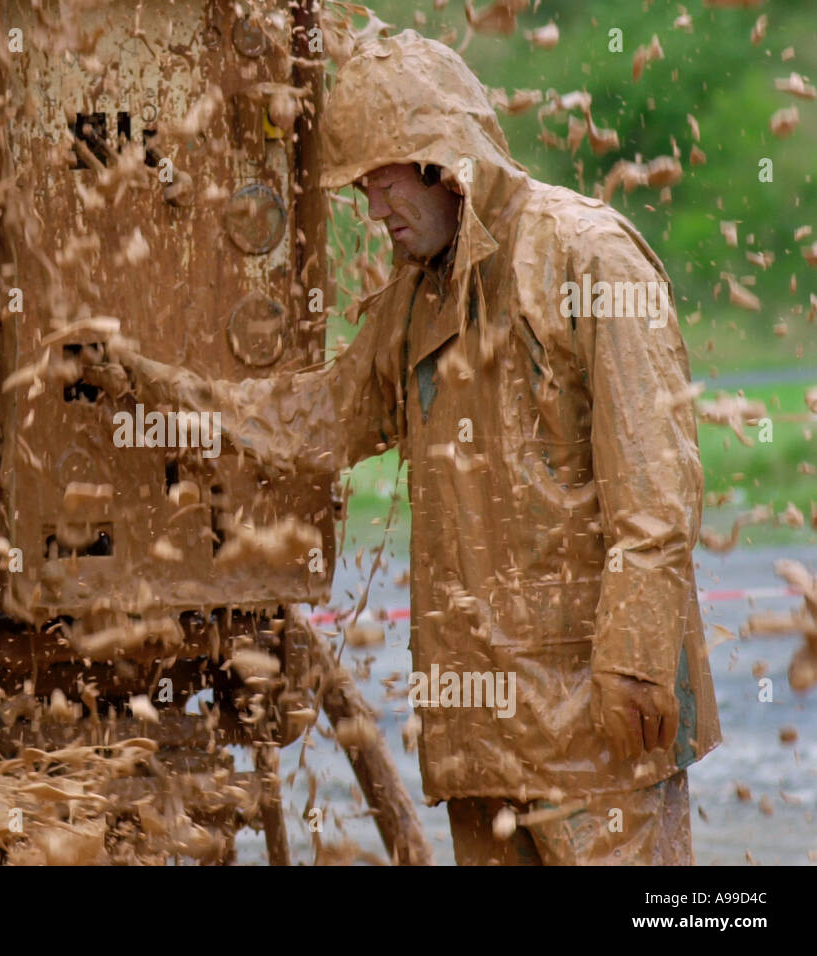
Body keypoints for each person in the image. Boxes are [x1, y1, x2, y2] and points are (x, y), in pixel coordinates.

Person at [90, 30, 720, 864]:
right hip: (480, 730)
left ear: (441, 162)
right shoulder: (420, 294)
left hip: (594, 726)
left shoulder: (588, 257)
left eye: (382, 187)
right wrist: (158, 390)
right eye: (360, 192)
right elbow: (322, 416)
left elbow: (657, 482)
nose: (373, 212)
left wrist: (637, 658)